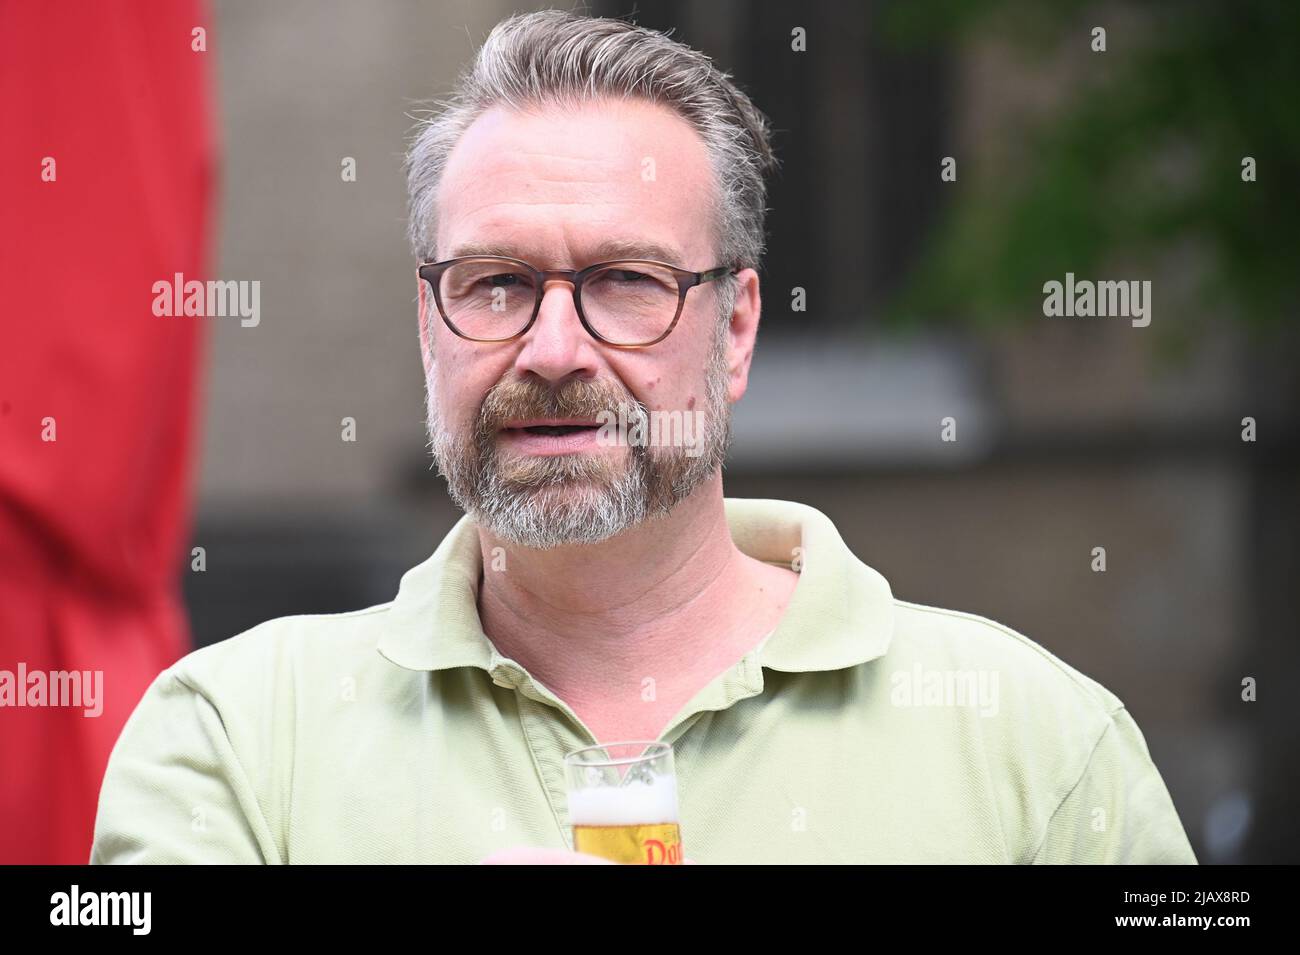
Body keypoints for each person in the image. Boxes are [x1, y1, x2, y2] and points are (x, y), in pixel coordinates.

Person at [91, 9, 1196, 864]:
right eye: (496, 283)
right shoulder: (233, 740)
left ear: (736, 328)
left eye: (626, 281)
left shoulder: (1038, 743)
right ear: (429, 320)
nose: (555, 348)